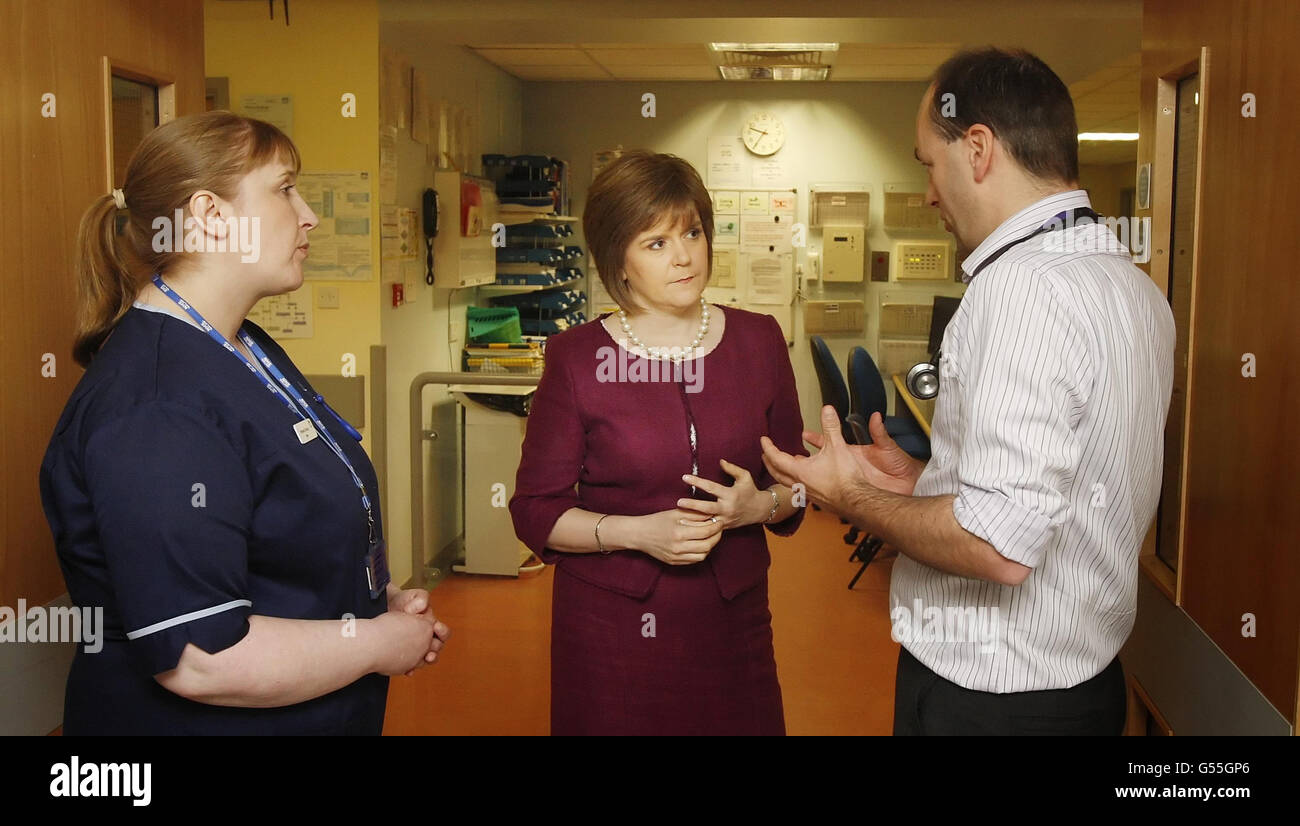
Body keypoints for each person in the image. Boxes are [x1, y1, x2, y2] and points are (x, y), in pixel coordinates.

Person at [762, 47, 1176, 735]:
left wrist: (850, 496)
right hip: (1084, 687)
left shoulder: (1019, 289)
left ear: (978, 149)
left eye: (928, 161)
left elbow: (998, 547)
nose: (927, 192)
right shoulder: (1128, 281)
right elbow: (1044, 496)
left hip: (992, 702)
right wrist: (922, 482)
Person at [40, 111, 451, 735]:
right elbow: (204, 658)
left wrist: (365, 604)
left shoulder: (242, 346)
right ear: (209, 216)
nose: (309, 213)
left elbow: (269, 536)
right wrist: (374, 644)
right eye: (285, 188)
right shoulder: (158, 407)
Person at [509, 150, 807, 735]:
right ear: (617, 258)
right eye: (656, 243)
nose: (684, 256)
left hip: (733, 623)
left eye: (692, 232)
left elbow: (798, 486)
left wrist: (761, 506)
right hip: (612, 630)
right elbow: (534, 511)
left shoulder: (759, 339)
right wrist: (636, 533)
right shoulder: (576, 358)